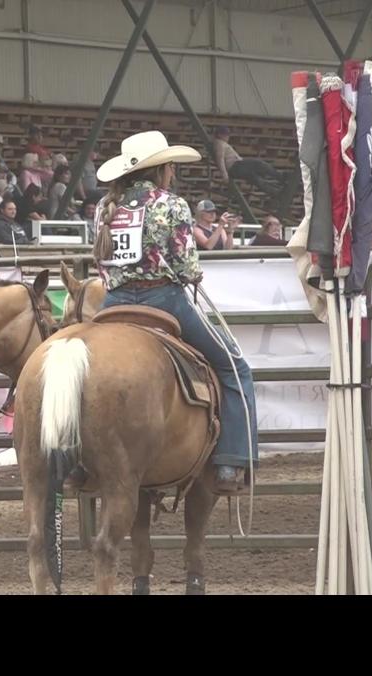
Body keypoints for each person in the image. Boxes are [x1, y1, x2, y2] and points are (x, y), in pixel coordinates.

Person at [92, 131, 254, 495]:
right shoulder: (172, 204)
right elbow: (185, 266)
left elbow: (103, 261)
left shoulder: (106, 207)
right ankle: (231, 461)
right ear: (163, 169)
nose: (174, 173)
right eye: (171, 167)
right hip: (163, 300)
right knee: (234, 366)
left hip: (114, 303)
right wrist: (193, 274)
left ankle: (75, 460)